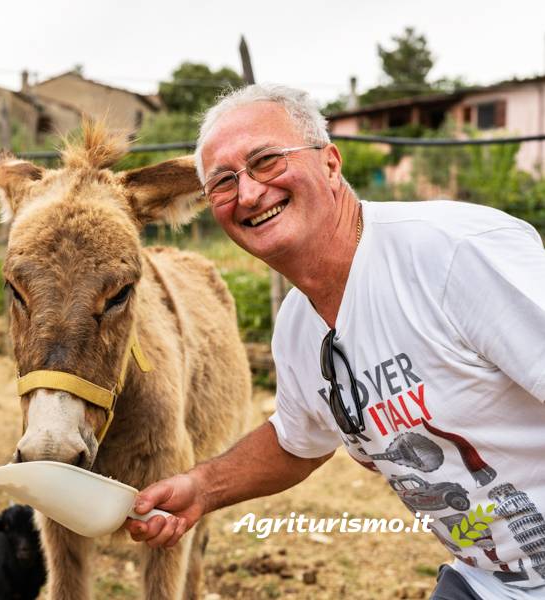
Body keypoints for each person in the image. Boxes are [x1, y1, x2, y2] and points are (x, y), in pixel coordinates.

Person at [126, 84, 545, 599]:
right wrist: (200, 488)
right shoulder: (298, 328)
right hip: (490, 582)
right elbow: (296, 440)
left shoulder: (453, 255)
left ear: (330, 163)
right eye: (223, 182)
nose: (249, 193)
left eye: (266, 161)